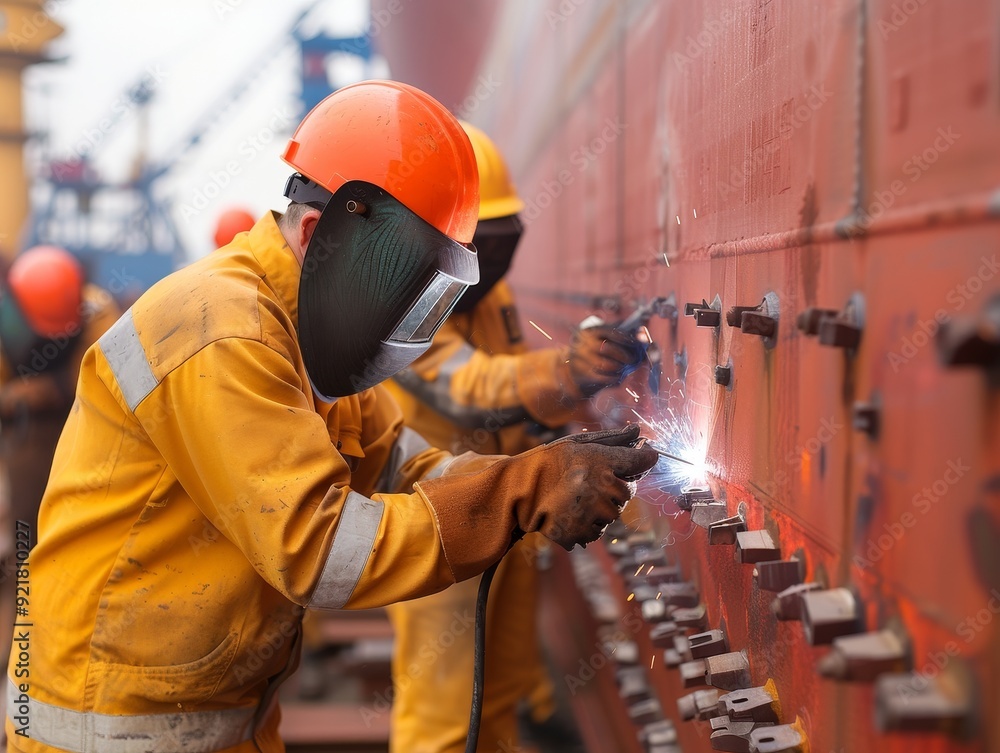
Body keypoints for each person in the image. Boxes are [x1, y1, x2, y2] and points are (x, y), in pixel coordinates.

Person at [4, 80, 657, 753]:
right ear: (319, 234)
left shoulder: (304, 332)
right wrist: (519, 494)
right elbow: (318, 550)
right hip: (109, 730)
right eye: (397, 279)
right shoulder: (225, 330)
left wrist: (533, 473)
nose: (405, 311)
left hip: (224, 718)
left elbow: (399, 462)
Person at [385, 122, 643, 753]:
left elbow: (515, 396)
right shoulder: (401, 304)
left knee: (498, 694)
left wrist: (571, 403)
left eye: (501, 238)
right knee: (447, 719)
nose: (493, 257)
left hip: (509, 507)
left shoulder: (486, 291)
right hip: (442, 521)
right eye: (480, 240)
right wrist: (568, 369)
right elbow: (466, 387)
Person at [0, 245, 120, 746]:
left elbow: (104, 375)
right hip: (25, 448)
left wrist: (47, 390)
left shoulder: (98, 312)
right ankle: (23, 679)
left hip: (85, 437)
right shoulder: (6, 327)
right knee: (24, 565)